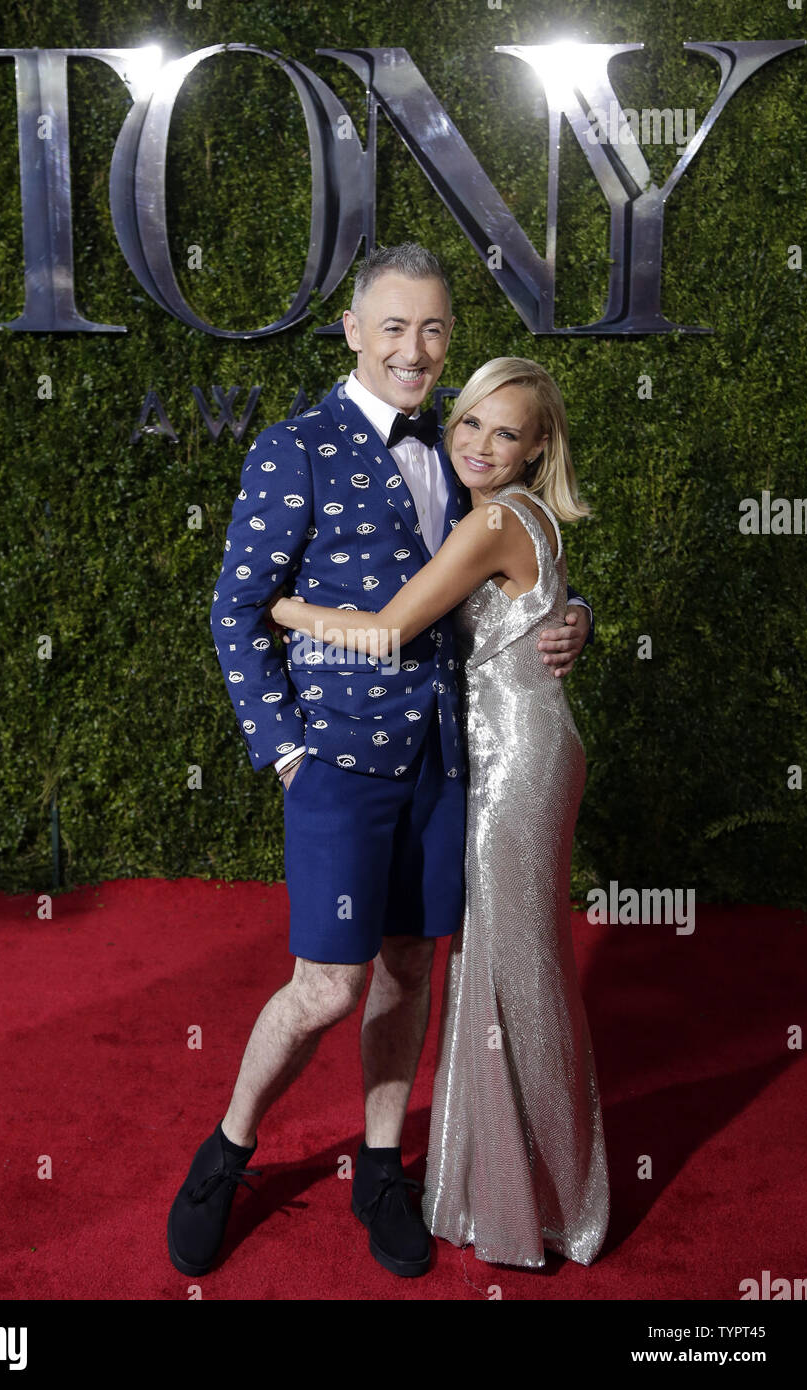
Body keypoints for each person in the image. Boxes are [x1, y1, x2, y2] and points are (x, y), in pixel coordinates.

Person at [167, 244, 592, 1281]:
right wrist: (285, 756)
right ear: (352, 330)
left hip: (451, 760)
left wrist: (569, 612)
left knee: (409, 968)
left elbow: (508, 566)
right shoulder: (294, 447)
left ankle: (379, 1166)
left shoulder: (463, 449)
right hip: (337, 769)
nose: (415, 349)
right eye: (394, 326)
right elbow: (235, 612)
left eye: (435, 328)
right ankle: (226, 1150)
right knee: (325, 985)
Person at [269, 356, 609, 1267]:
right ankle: (524, 1189)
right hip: (517, 751)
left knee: (512, 971)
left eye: (507, 433)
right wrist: (575, 613)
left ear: (539, 448)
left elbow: (387, 629)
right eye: (470, 423)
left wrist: (288, 607)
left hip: (509, 767)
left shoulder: (495, 515)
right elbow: (534, 605)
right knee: (505, 967)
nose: (480, 444)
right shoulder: (497, 513)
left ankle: (538, 1202)